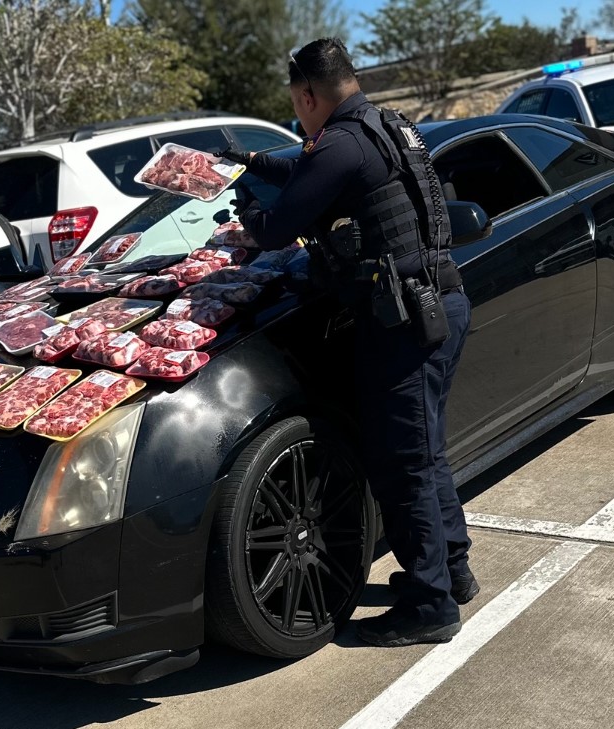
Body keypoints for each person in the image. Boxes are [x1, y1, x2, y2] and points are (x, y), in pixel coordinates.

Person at [220, 38, 478, 647]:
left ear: (308, 95)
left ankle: (430, 606)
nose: (301, 118)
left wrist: (245, 216)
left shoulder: (339, 142)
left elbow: (279, 227)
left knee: (400, 462)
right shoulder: (385, 124)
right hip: (441, 302)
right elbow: (311, 170)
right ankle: (454, 571)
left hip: (406, 320)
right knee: (425, 450)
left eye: (297, 106)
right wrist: (252, 161)